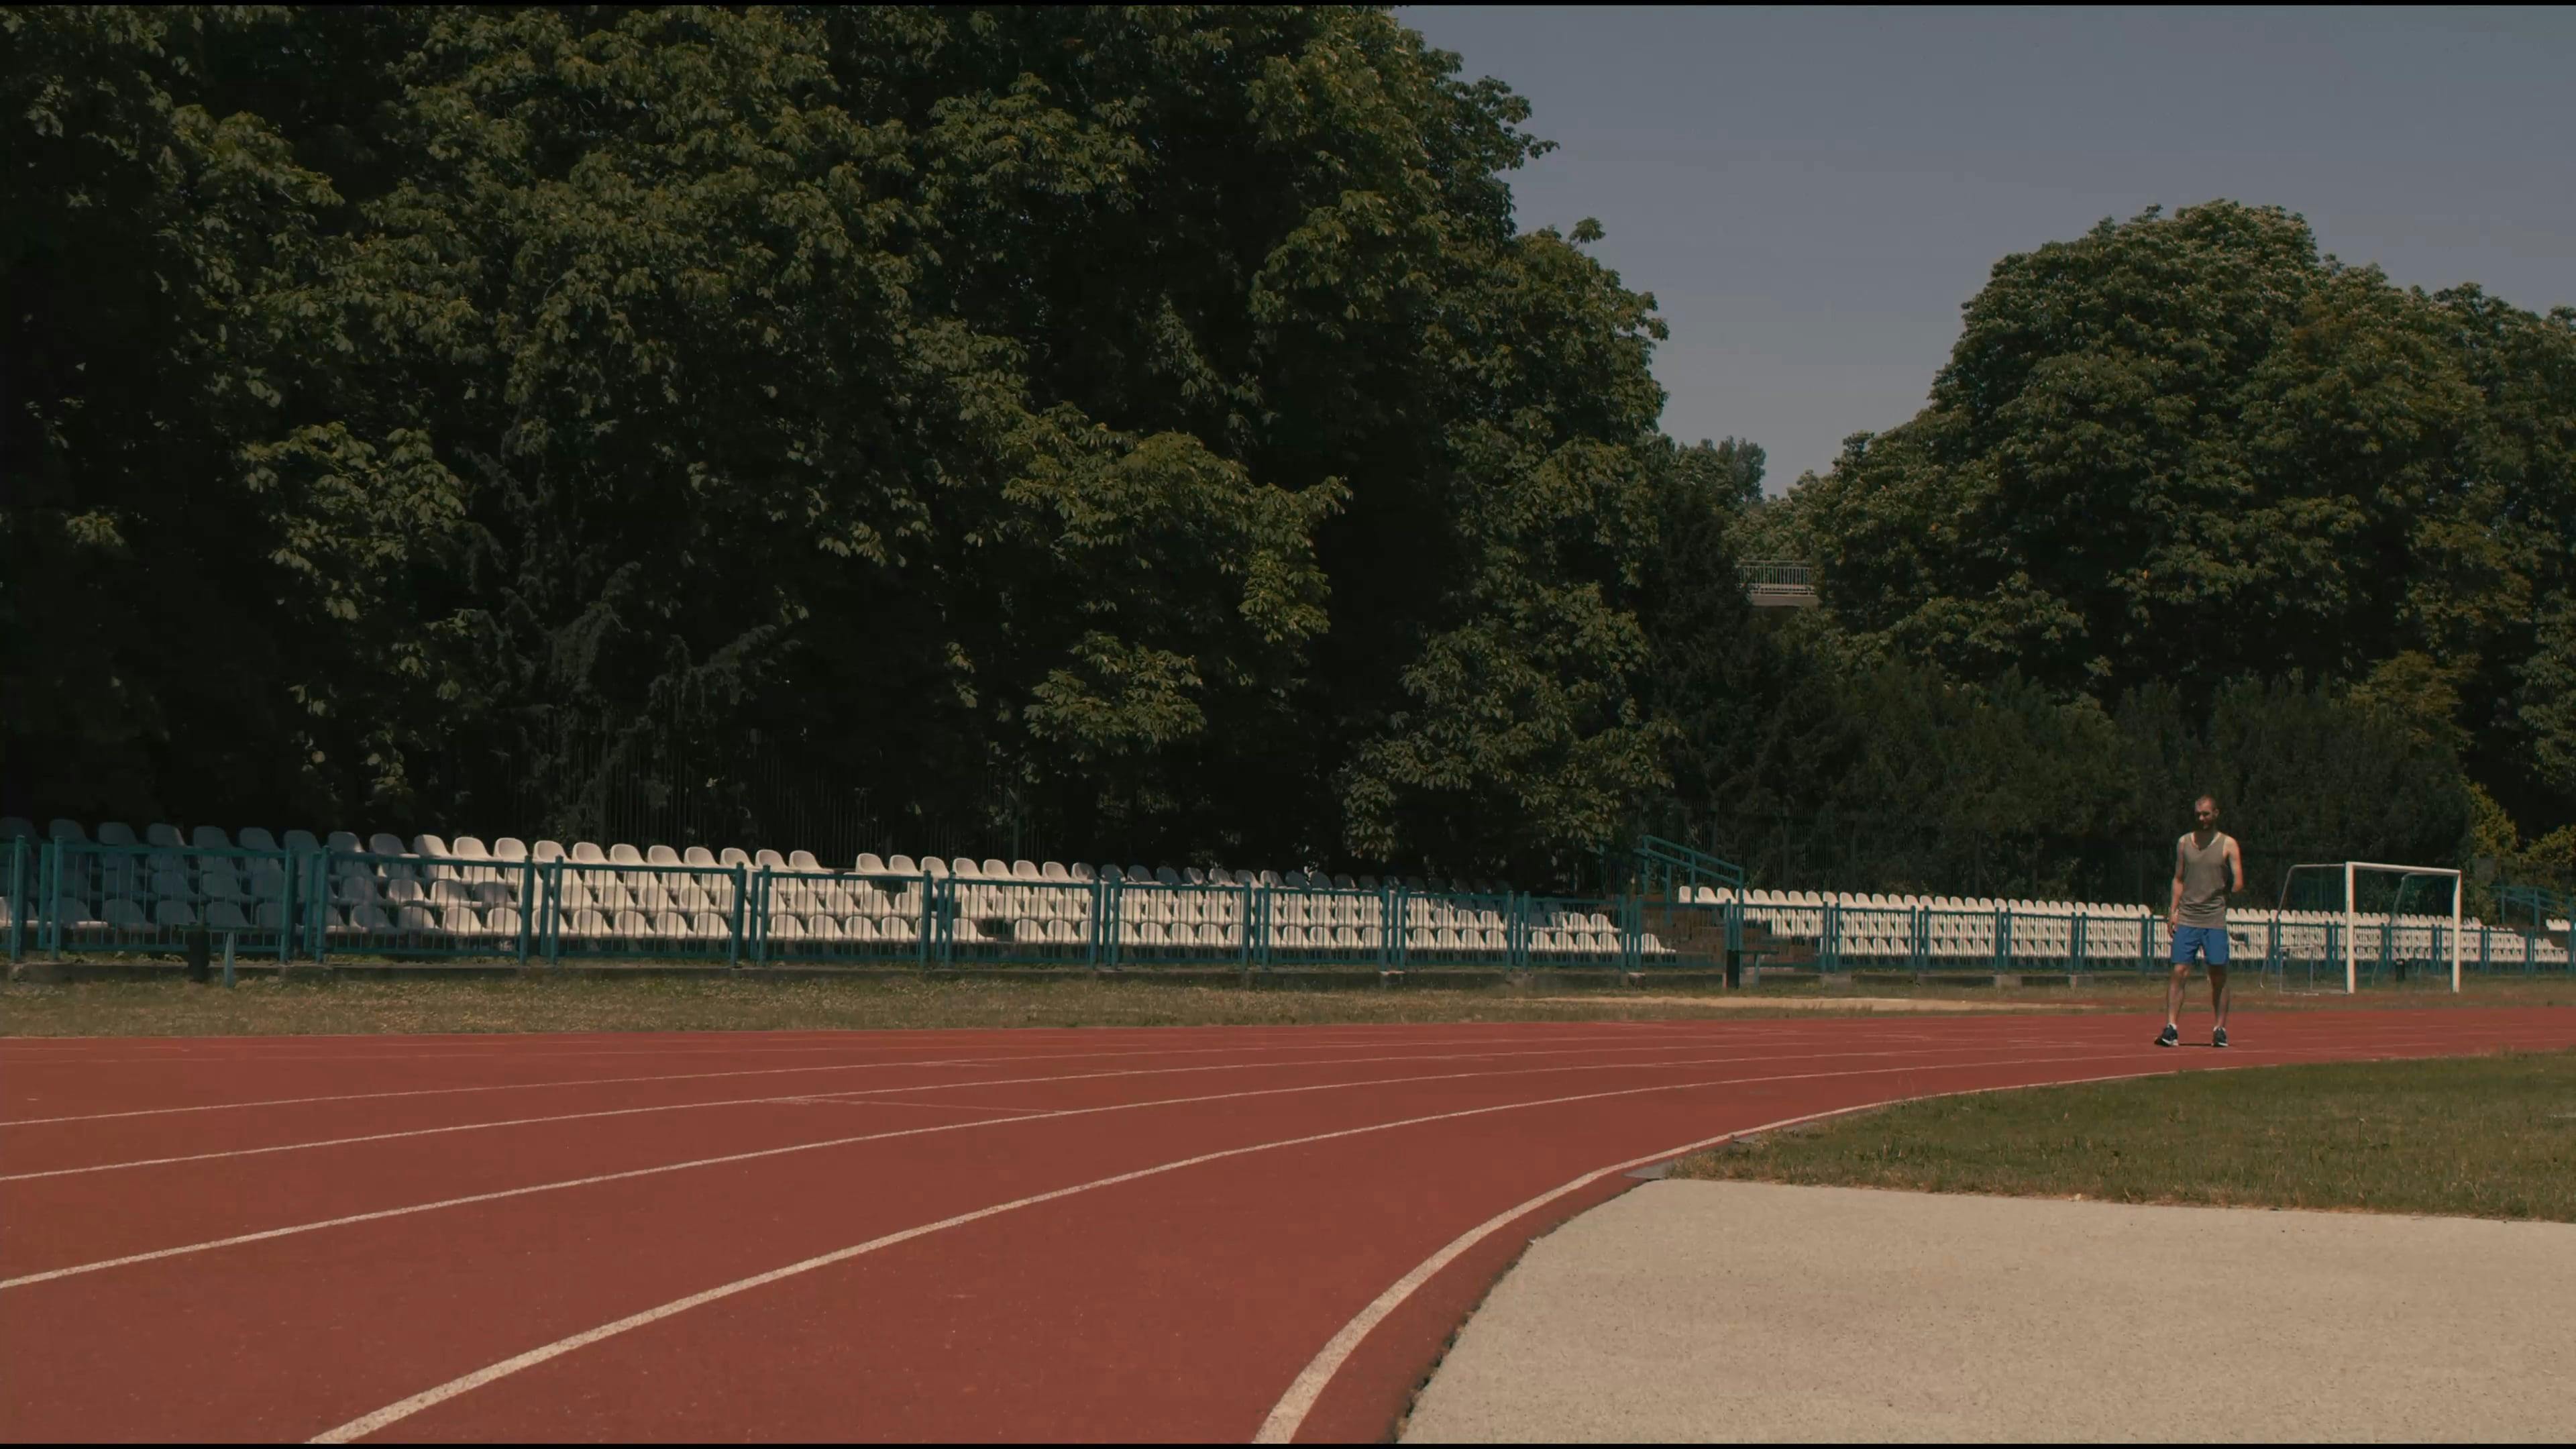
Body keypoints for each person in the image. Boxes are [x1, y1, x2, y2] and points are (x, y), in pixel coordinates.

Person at [2161, 794, 2244, 1048]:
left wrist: (2231, 890)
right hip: (2188, 916)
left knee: (2218, 973)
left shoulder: (2228, 844)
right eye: (2198, 814)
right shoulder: (2184, 843)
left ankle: (2220, 1029)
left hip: (2214, 918)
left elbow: (2239, 880)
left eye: (2206, 814)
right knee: (2179, 971)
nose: (2201, 818)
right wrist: (2172, 911)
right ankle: (2171, 1027)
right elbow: (2178, 879)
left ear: (2216, 813)